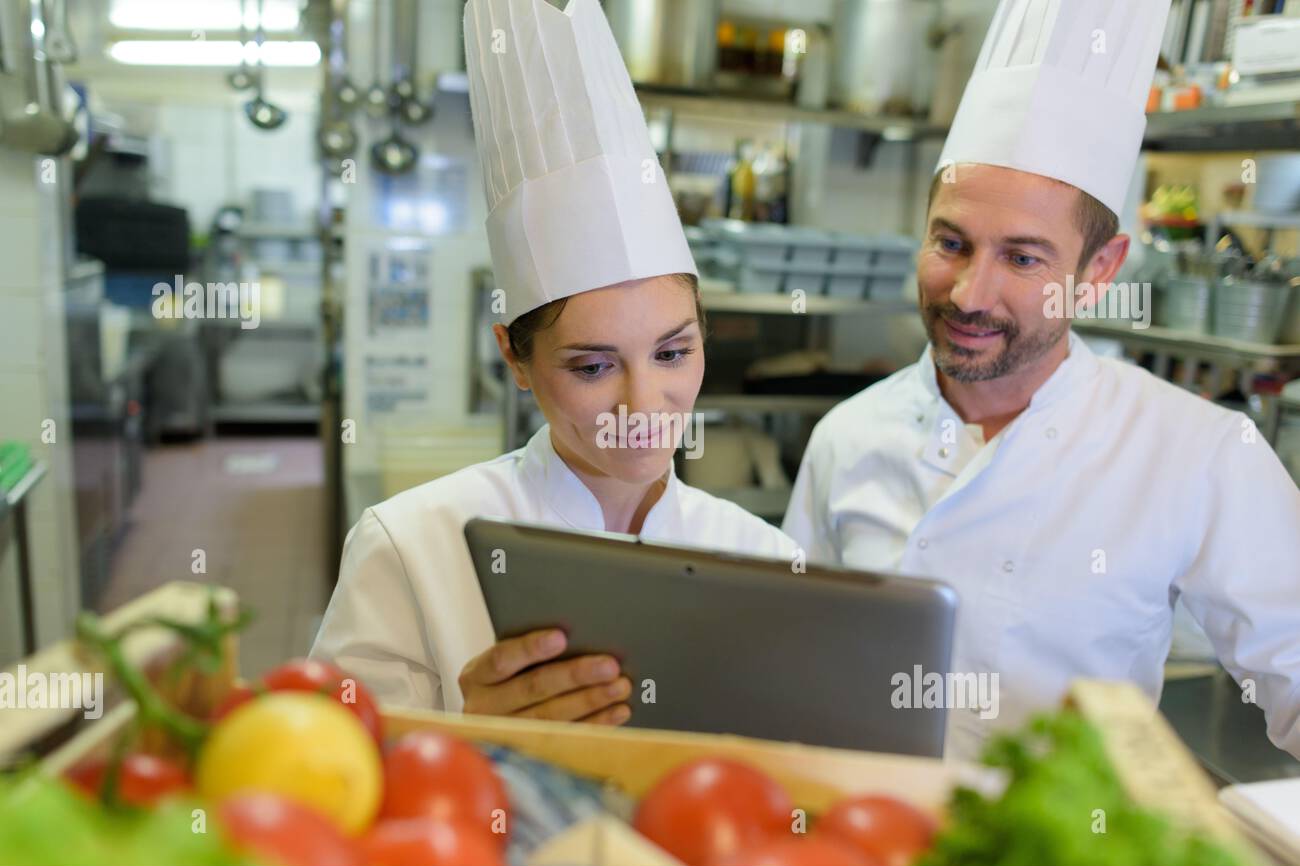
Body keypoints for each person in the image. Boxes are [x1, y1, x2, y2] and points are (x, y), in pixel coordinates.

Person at [782, 0, 1300, 762]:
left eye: (1022, 258)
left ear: (1099, 271)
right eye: (950, 242)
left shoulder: (1200, 453)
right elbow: (791, 663)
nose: (968, 293)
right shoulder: (847, 436)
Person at [310, 0, 795, 725]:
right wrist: (468, 740)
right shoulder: (411, 547)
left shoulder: (764, 558)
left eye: (672, 351)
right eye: (593, 366)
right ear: (515, 356)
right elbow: (332, 784)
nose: (643, 405)